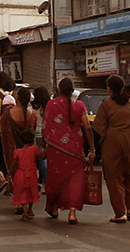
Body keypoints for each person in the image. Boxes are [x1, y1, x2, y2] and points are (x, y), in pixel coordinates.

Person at [43, 78, 95, 224]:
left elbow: (46, 126)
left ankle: (54, 207)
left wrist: (46, 143)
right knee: (75, 179)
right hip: (75, 149)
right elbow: (87, 127)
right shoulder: (80, 105)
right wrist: (92, 148)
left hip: (55, 149)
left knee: (55, 179)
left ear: (59, 90)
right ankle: (72, 213)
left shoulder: (50, 104)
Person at [94, 75, 130, 223]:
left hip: (114, 140)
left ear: (109, 88)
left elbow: (98, 126)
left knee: (113, 177)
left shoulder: (106, 104)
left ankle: (120, 213)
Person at [1, 86, 37, 194]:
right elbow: (33, 131)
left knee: (17, 175)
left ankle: (20, 200)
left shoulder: (8, 113)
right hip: (29, 152)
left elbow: (2, 127)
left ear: (17, 98)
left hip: (14, 151)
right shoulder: (33, 114)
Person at [11, 130, 45, 220]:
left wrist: (9, 174)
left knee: (23, 193)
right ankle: (30, 209)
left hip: (20, 174)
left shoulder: (17, 152)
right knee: (32, 191)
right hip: (32, 174)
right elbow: (43, 157)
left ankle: (25, 212)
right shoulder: (34, 149)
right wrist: (46, 147)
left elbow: (13, 165)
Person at [32, 86, 51, 188]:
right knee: (44, 158)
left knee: (41, 160)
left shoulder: (32, 106)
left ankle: (47, 181)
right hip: (46, 134)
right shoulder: (49, 106)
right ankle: (41, 181)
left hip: (36, 134)